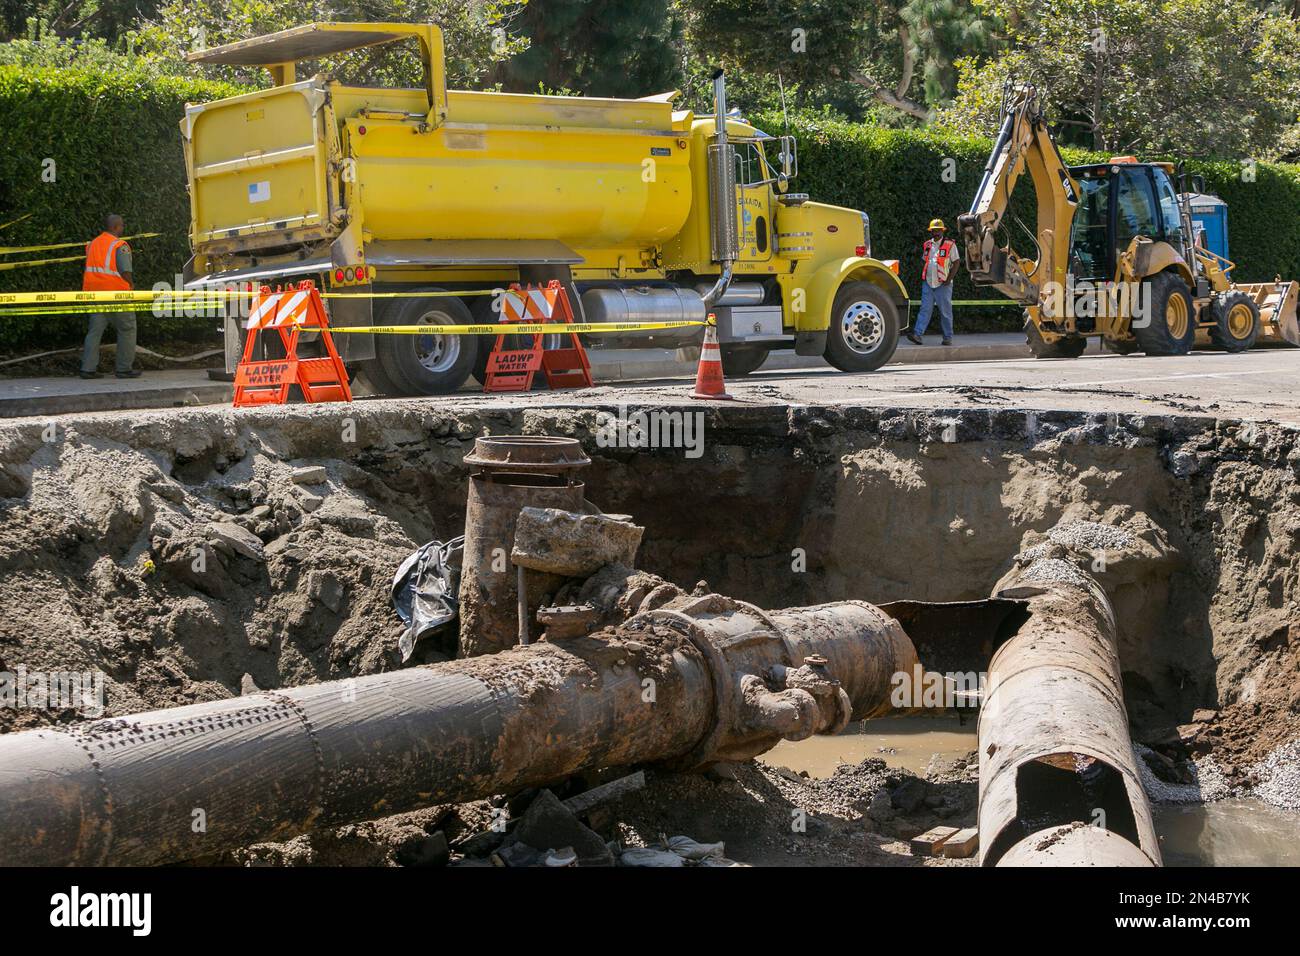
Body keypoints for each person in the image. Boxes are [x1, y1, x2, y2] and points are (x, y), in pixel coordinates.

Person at [80, 213, 140, 379]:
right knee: (127, 328)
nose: (123, 228)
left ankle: (87, 369)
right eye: (122, 225)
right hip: (116, 294)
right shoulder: (119, 245)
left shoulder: (92, 244)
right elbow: (125, 270)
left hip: (93, 294)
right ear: (115, 227)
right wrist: (131, 284)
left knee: (95, 331)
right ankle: (123, 369)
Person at [907, 218, 959, 346]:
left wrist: (949, 279)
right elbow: (926, 261)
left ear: (942, 230)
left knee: (945, 312)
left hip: (943, 284)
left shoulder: (950, 244)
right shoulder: (927, 245)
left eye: (938, 230)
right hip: (928, 283)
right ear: (931, 231)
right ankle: (917, 335)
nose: (936, 233)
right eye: (933, 230)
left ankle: (947, 337)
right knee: (925, 309)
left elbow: (956, 262)